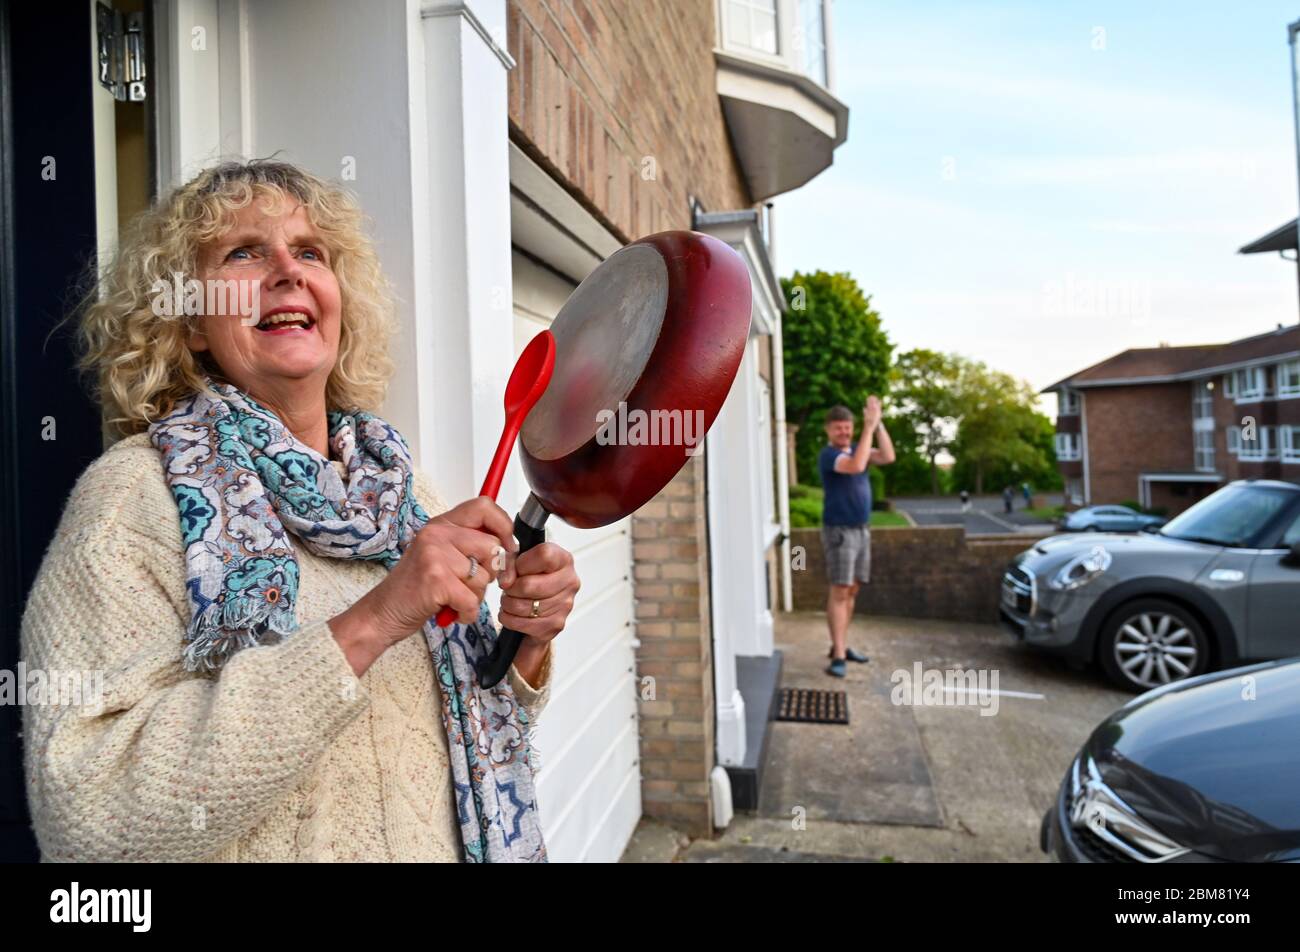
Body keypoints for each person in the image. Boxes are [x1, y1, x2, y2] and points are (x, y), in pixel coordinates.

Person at [20, 159, 581, 862]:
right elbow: (89, 818)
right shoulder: (131, 503)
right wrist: (375, 618)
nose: (287, 271)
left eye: (308, 252)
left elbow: (471, 720)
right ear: (192, 321)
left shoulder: (404, 491)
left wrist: (526, 643)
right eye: (244, 253)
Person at [817, 398, 895, 677]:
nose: (844, 433)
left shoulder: (855, 447)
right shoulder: (829, 455)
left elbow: (887, 456)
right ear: (828, 430)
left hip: (862, 529)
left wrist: (878, 422)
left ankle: (842, 644)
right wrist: (867, 429)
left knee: (852, 589)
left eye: (848, 428)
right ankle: (838, 654)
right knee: (839, 591)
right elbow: (856, 465)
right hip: (840, 531)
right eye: (839, 428)